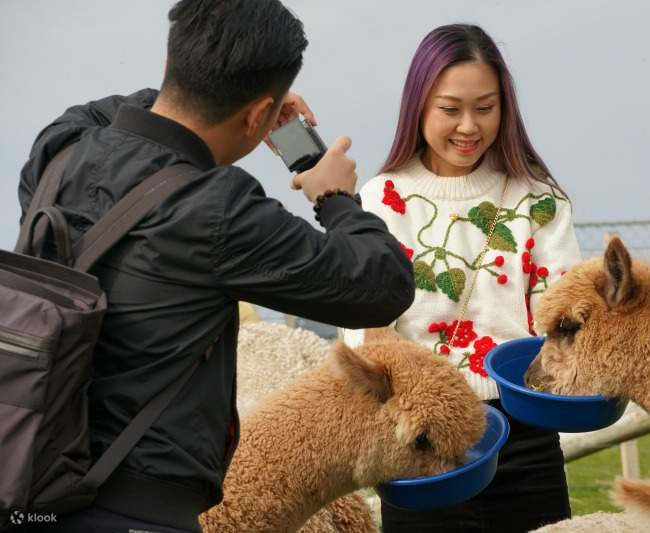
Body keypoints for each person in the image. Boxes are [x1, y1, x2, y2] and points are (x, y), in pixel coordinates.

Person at [17, 1, 414, 532]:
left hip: (25, 482)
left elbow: (108, 112)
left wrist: (212, 86)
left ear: (168, 66)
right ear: (258, 117)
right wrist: (335, 197)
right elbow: (382, 283)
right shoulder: (218, 209)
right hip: (137, 509)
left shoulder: (60, 150)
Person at [344, 24, 581, 532]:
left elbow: (564, 317)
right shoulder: (381, 200)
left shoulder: (539, 199)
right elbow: (364, 331)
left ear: (505, 107)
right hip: (420, 440)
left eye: (486, 107)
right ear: (419, 106)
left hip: (526, 435)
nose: (468, 126)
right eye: (450, 109)